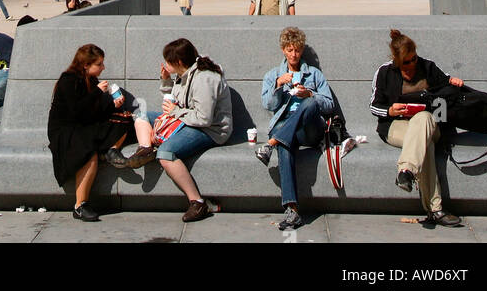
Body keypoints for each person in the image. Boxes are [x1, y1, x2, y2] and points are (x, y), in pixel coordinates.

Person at [126, 38, 233, 223]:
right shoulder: (185, 74)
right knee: (141, 115)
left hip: (211, 129)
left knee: (166, 153)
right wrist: (166, 81)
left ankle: (198, 202)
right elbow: (175, 100)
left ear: (180, 63)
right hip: (185, 120)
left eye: (168, 62)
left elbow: (204, 118)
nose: (165, 65)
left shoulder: (204, 79)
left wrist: (176, 112)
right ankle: (145, 149)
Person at [369, 28, 464, 227]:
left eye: (413, 59)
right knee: (424, 145)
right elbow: (374, 106)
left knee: (423, 119)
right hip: (396, 126)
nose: (411, 65)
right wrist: (390, 111)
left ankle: (406, 171)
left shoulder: (428, 67)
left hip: (430, 124)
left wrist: (454, 82)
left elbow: (447, 87)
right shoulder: (385, 72)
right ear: (396, 60)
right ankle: (435, 210)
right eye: (406, 62)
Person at [47, 43, 138, 221]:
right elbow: (76, 112)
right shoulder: (69, 80)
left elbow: (93, 112)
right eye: (99, 64)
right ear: (85, 65)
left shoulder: (91, 80)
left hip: (84, 125)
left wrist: (113, 105)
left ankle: (111, 150)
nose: (103, 68)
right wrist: (97, 93)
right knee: (88, 153)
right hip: (65, 130)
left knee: (126, 121)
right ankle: (80, 205)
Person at [257, 26, 335, 230]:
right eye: (290, 50)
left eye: (297, 50)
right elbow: (268, 106)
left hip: (311, 128)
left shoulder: (314, 74)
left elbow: (329, 105)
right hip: (287, 128)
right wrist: (277, 86)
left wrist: (310, 94)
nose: (294, 54)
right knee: (285, 143)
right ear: (283, 50)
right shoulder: (273, 75)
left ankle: (271, 142)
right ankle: (292, 209)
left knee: (309, 105)